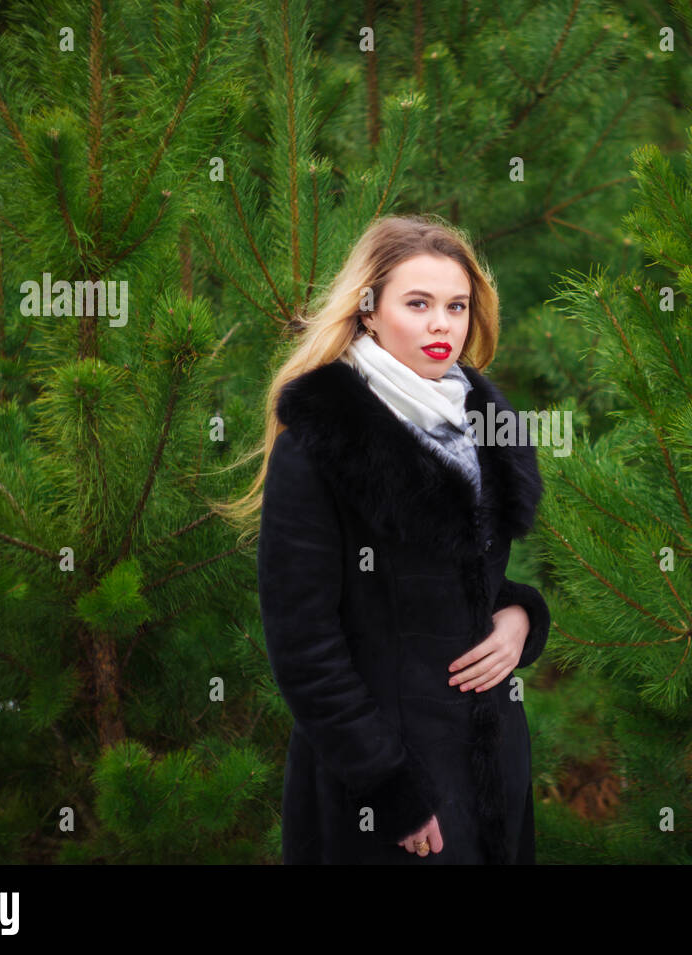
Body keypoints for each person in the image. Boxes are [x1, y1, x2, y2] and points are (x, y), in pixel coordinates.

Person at [224, 214, 549, 863]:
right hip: (384, 792)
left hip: (490, 772)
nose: (442, 325)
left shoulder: (483, 428)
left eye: (456, 305)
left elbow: (453, 584)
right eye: (419, 303)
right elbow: (303, 645)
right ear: (369, 312)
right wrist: (389, 789)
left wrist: (519, 616)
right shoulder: (320, 446)